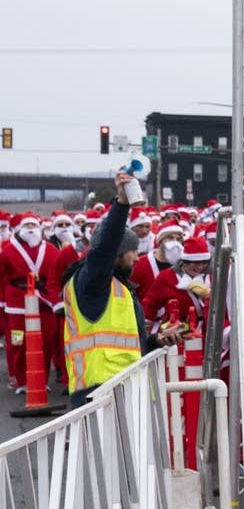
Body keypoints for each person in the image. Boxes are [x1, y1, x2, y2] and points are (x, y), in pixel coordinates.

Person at [59, 172, 149, 405]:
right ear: (116, 253)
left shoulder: (117, 284)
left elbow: (128, 340)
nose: (138, 258)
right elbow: (104, 248)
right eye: (133, 251)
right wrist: (121, 204)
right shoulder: (93, 281)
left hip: (120, 385)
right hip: (99, 390)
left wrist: (158, 340)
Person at [4, 211, 77, 394]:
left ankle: (41, 380)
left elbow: (60, 273)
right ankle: (21, 381)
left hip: (44, 300)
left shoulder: (50, 249)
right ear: (19, 229)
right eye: (27, 226)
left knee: (46, 342)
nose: (30, 230)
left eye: (33, 226)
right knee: (19, 342)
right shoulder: (8, 250)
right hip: (17, 302)